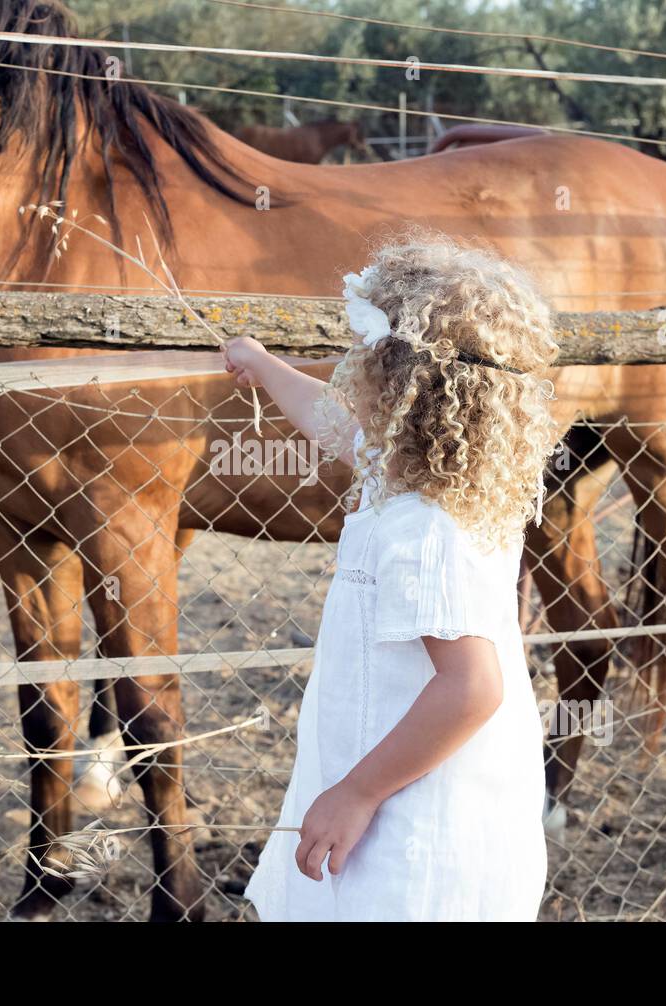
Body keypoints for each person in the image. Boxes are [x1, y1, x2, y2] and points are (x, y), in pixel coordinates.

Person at [225, 232, 559, 921]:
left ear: (405, 384)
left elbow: (472, 686)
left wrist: (357, 793)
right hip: (414, 787)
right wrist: (263, 365)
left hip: (414, 826)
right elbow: (336, 426)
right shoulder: (430, 479)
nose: (351, 369)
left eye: (364, 357)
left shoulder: (424, 527)